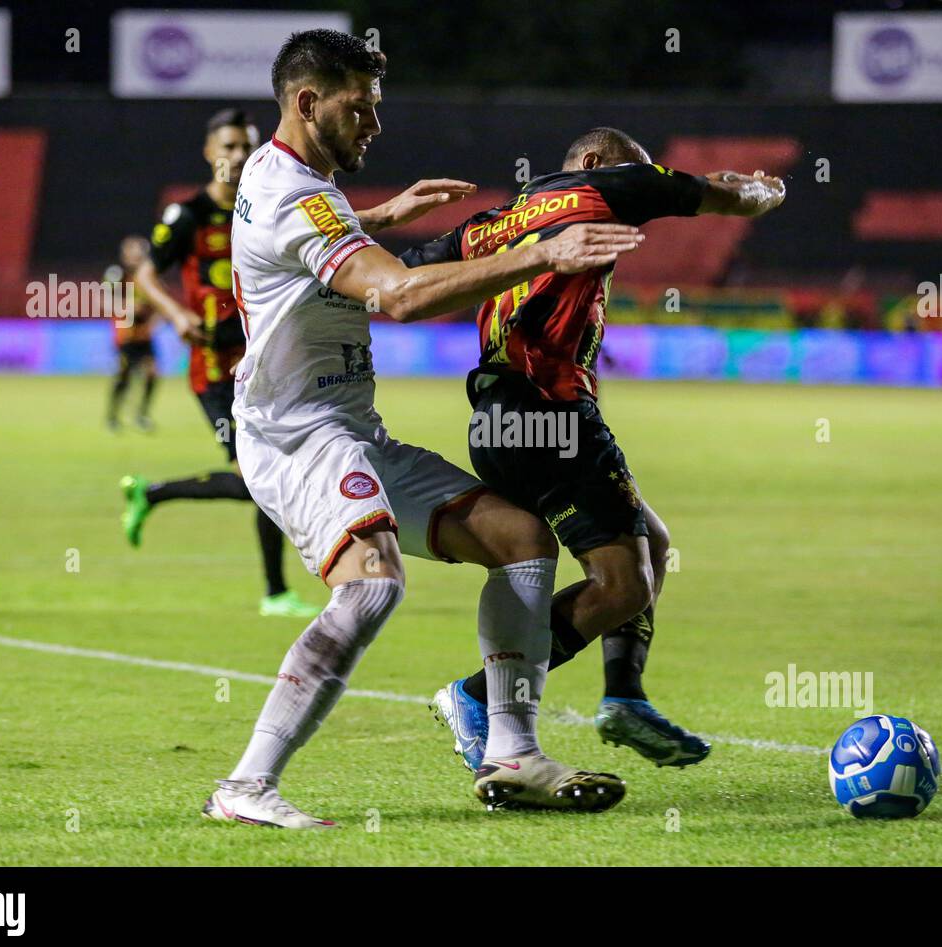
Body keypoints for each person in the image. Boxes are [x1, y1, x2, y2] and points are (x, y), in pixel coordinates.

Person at [203, 30, 644, 828]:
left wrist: (378, 214)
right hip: (298, 435)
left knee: (523, 542)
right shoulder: (296, 196)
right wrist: (546, 253)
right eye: (359, 106)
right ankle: (246, 785)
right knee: (372, 581)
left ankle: (512, 752)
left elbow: (288, 238)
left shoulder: (290, 180)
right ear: (308, 103)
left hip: (346, 428)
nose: (375, 123)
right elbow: (401, 298)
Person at [401, 127, 785, 770]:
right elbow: (728, 196)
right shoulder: (606, 183)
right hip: (552, 413)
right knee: (625, 584)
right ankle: (474, 696)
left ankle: (625, 697)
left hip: (496, 420)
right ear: (595, 161)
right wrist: (767, 190)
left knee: (650, 545)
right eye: (635, 171)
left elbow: (400, 276)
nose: (640, 184)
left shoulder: (492, 224)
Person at [122, 107, 320, 617]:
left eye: (245, 147)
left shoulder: (264, 208)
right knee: (261, 480)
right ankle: (275, 592)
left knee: (267, 478)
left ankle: (154, 494)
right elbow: (145, 275)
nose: (236, 156)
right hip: (213, 369)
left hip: (260, 363)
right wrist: (175, 313)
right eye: (227, 147)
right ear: (210, 153)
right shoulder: (187, 216)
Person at [105, 235, 158, 432]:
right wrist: (127, 307)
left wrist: (154, 320)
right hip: (125, 334)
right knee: (124, 374)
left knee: (152, 373)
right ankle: (112, 416)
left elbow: (159, 303)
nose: (137, 256)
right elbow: (103, 300)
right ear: (124, 254)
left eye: (140, 253)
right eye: (133, 252)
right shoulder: (116, 274)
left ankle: (142, 415)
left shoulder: (149, 275)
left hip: (144, 334)